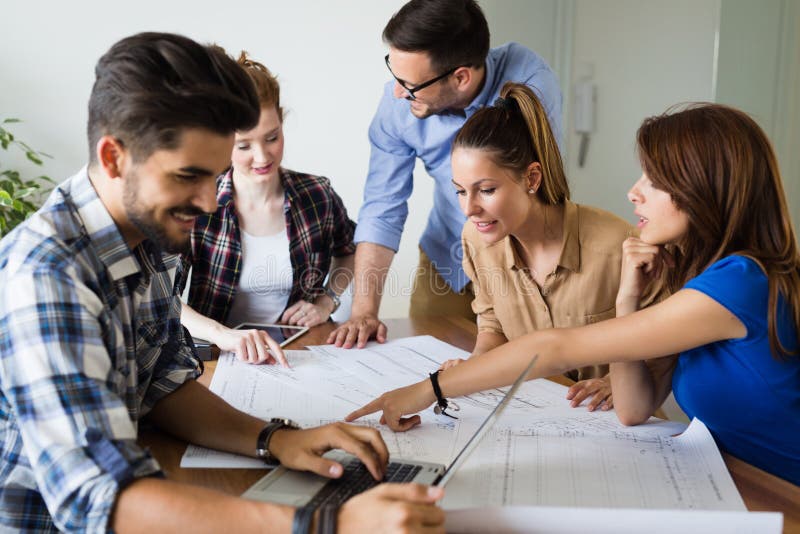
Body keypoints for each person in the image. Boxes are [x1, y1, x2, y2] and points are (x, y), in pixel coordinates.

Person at [0, 32, 445, 532]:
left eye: (213, 177)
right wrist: (328, 525)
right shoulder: (46, 276)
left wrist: (275, 439)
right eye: (188, 176)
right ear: (113, 158)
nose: (210, 203)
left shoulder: (147, 238)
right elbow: (100, 500)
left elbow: (163, 384)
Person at [346, 103, 800, 486]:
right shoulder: (713, 277)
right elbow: (634, 410)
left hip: (779, 492)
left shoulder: (739, 282)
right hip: (734, 478)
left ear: (703, 190)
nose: (633, 192)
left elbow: (556, 348)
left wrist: (429, 390)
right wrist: (626, 301)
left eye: (654, 180)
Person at [327, 0, 563, 348]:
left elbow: (538, 189)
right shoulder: (400, 102)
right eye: (394, 74)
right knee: (428, 367)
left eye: (409, 83)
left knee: (526, 379)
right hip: (448, 258)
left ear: (461, 77)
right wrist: (363, 311)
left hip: (524, 259)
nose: (397, 91)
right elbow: (383, 205)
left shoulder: (528, 83)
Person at [439, 81, 676, 410]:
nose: (469, 208)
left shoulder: (620, 247)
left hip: (616, 424)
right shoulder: (476, 237)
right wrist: (476, 366)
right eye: (461, 191)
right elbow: (493, 321)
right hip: (535, 417)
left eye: (487, 190)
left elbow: (667, 340)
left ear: (532, 178)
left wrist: (613, 382)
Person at [180, 51, 355, 366]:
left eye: (272, 138)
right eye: (244, 146)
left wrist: (327, 302)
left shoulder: (317, 195)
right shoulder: (195, 206)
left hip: (302, 352)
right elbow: (163, 297)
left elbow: (351, 249)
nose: (262, 157)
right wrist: (224, 336)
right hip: (219, 358)